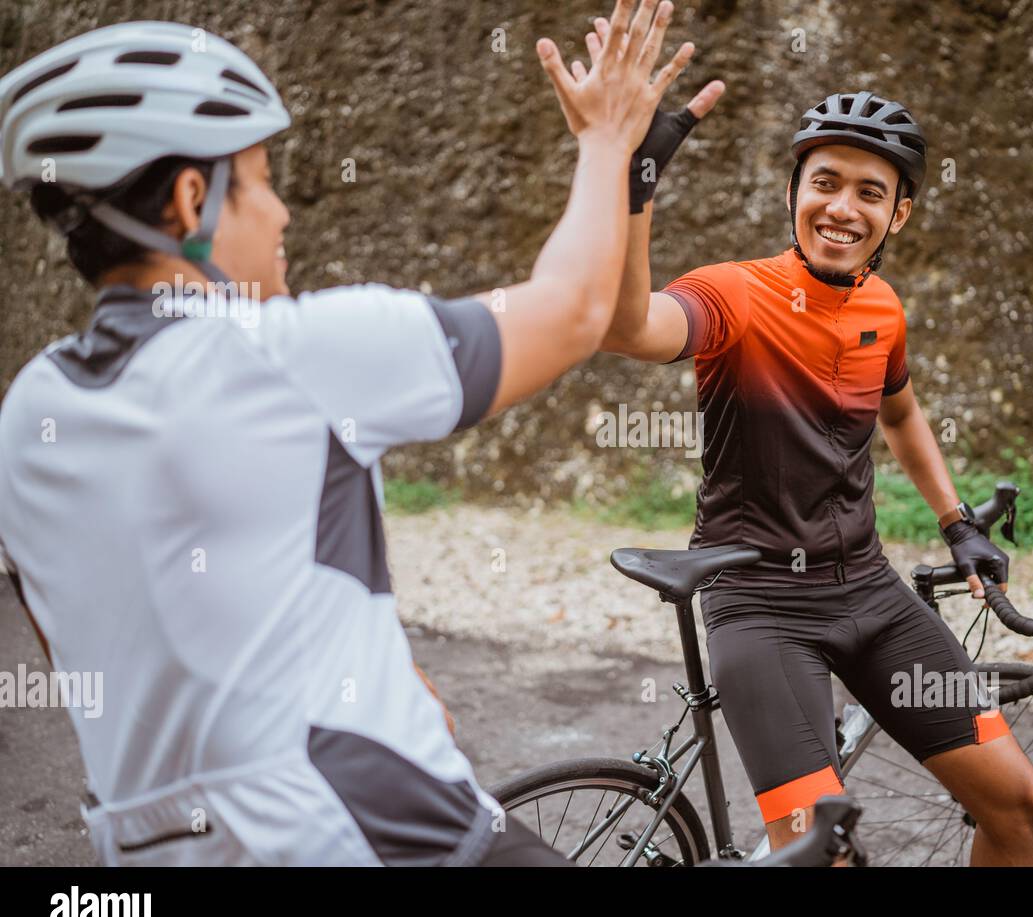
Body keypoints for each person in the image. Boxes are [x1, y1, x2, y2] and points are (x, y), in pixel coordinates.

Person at [0, 0, 699, 866]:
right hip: (353, 818)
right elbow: (576, 310)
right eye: (260, 180)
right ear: (192, 200)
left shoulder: (32, 408)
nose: (284, 214)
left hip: (146, 850)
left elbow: (85, 621)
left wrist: (370, 667)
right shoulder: (290, 354)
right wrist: (608, 141)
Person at [579, 16, 1033, 865]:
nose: (842, 207)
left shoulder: (883, 308)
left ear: (897, 215)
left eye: (870, 192)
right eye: (824, 182)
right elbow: (627, 327)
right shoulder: (735, 296)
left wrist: (956, 524)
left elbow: (900, 413)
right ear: (794, 193)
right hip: (759, 605)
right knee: (819, 854)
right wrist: (631, 186)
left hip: (871, 594)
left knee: (1020, 807)